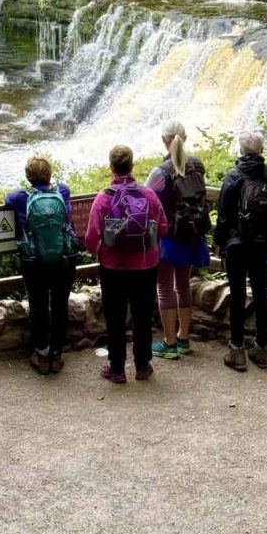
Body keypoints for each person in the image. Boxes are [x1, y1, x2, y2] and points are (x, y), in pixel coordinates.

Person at [85, 145, 168, 383]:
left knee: (115, 317)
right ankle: (143, 366)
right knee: (142, 316)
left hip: (113, 267)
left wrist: (104, 246)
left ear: (111, 167)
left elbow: (91, 240)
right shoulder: (149, 195)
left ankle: (117, 368)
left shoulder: (103, 198)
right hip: (145, 265)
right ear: (133, 166)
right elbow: (163, 228)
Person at [5, 155, 76, 376]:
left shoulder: (19, 197)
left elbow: (6, 201)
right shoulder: (62, 191)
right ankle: (57, 353)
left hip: (34, 261)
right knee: (59, 304)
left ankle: (42, 353)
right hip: (63, 259)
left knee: (38, 305)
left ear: (28, 176)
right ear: (50, 173)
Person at [214, 132, 267, 371]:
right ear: (261, 150)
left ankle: (237, 349)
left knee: (238, 293)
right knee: (261, 293)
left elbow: (223, 216)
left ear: (241, 151)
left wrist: (219, 242)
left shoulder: (233, 176)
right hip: (262, 243)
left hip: (237, 244)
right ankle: (262, 348)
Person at [145, 121, 210, 359]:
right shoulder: (197, 165)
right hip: (192, 233)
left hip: (169, 237)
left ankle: (169, 343)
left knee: (164, 288)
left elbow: (145, 198)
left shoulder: (160, 172)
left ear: (164, 139)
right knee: (183, 285)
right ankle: (183, 338)